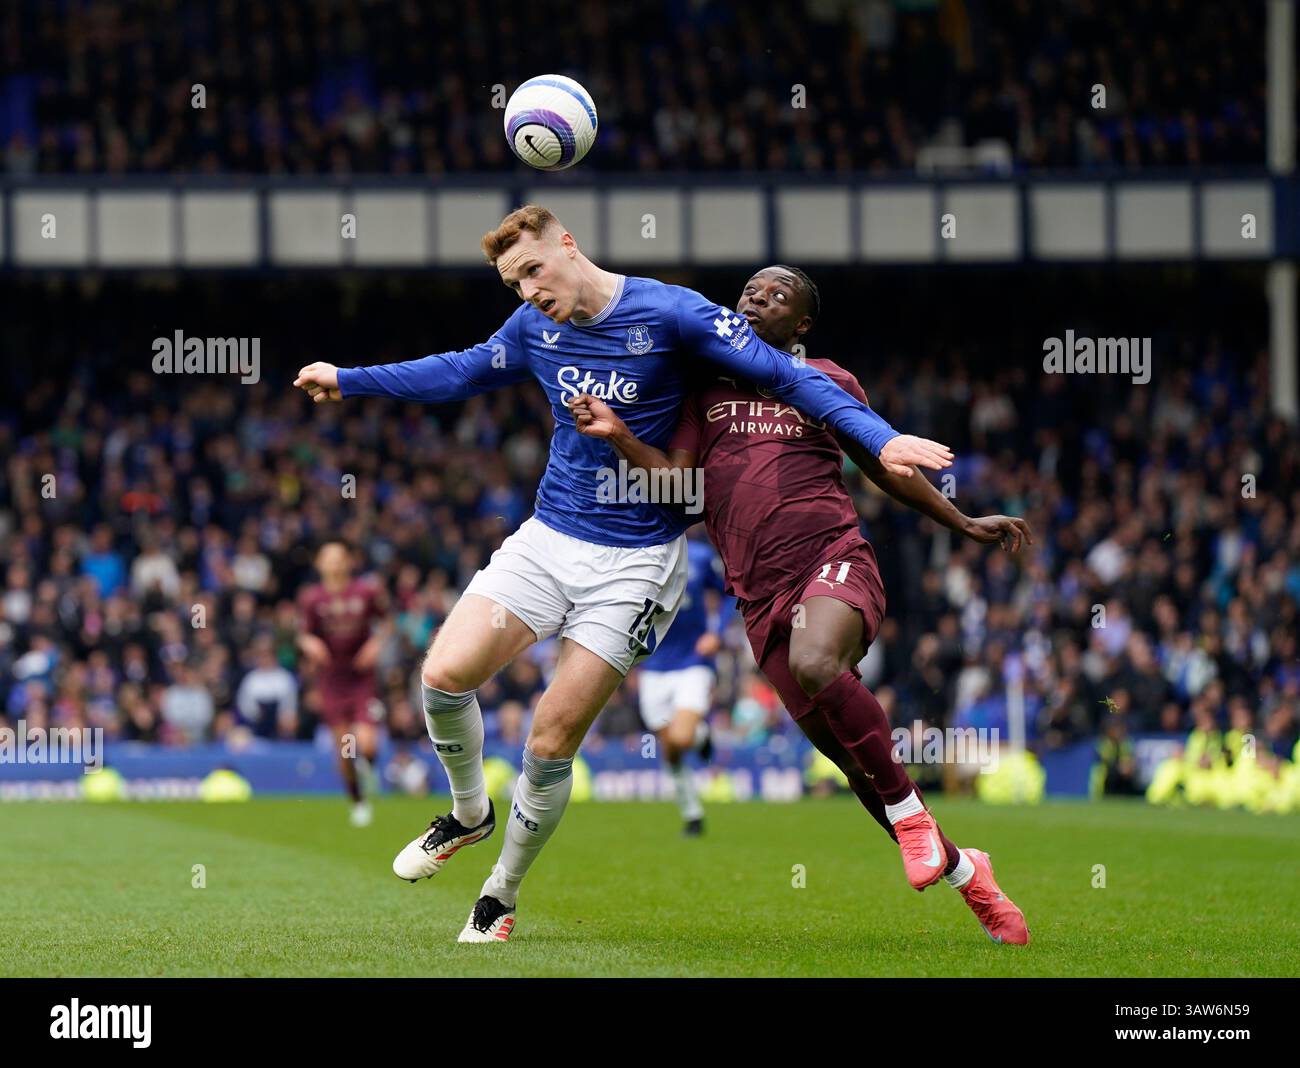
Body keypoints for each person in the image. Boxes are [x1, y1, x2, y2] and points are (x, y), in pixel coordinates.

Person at [293, 205, 954, 943]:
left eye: (534, 271)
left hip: (636, 563)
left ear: (567, 245)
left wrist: (881, 437)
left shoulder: (672, 313)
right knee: (443, 675)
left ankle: (501, 894)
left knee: (548, 743)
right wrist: (349, 379)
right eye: (513, 283)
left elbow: (789, 378)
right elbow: (463, 370)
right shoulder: (533, 328)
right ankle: (470, 813)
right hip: (549, 537)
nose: (528, 292)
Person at [570, 264, 1032, 944]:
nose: (757, 298)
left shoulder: (829, 381)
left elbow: (880, 465)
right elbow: (679, 484)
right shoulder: (708, 385)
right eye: (750, 290)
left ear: (803, 324)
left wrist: (960, 522)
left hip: (833, 560)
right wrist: (619, 436)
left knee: (819, 662)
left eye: (777, 295)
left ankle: (911, 818)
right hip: (758, 597)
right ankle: (969, 876)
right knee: (851, 761)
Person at [636, 532, 731, 835]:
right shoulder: (638, 553)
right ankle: (692, 814)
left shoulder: (700, 556)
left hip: (693, 662)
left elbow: (730, 592)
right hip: (652, 666)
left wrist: (716, 633)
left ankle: (700, 736)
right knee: (672, 750)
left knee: (680, 736)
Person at [297, 541, 390, 827]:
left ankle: (369, 769)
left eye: (340, 558)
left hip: (361, 676)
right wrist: (310, 643)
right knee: (344, 749)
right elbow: (302, 633)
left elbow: (387, 621)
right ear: (320, 565)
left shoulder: (366, 591)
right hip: (332, 678)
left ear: (349, 562)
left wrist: (376, 644)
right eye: (329, 559)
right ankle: (358, 801)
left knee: (368, 743)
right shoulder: (312, 598)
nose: (335, 564)